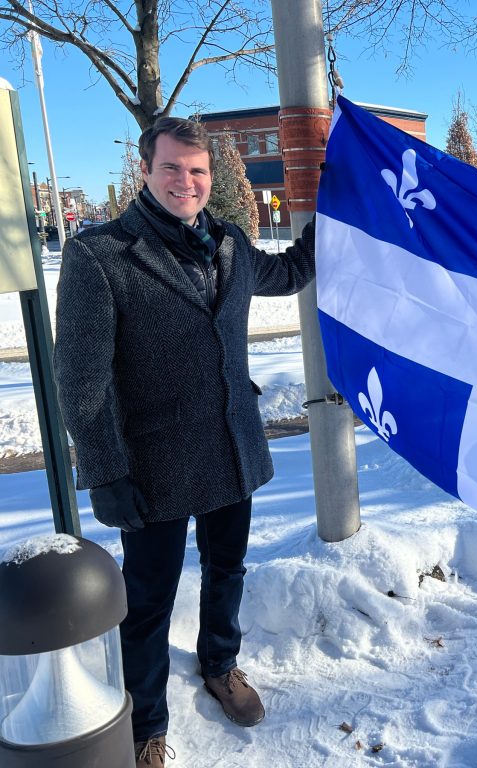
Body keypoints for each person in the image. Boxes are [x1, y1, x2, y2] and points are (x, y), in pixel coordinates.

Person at [53, 117, 316, 768]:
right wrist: (107, 474)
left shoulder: (226, 241)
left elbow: (284, 277)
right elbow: (80, 381)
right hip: (153, 465)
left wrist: (332, 214)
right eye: (172, 168)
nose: (187, 181)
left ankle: (220, 665)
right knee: (147, 601)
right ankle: (146, 722)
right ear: (146, 170)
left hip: (230, 446)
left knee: (227, 569)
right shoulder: (100, 255)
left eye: (197, 170)